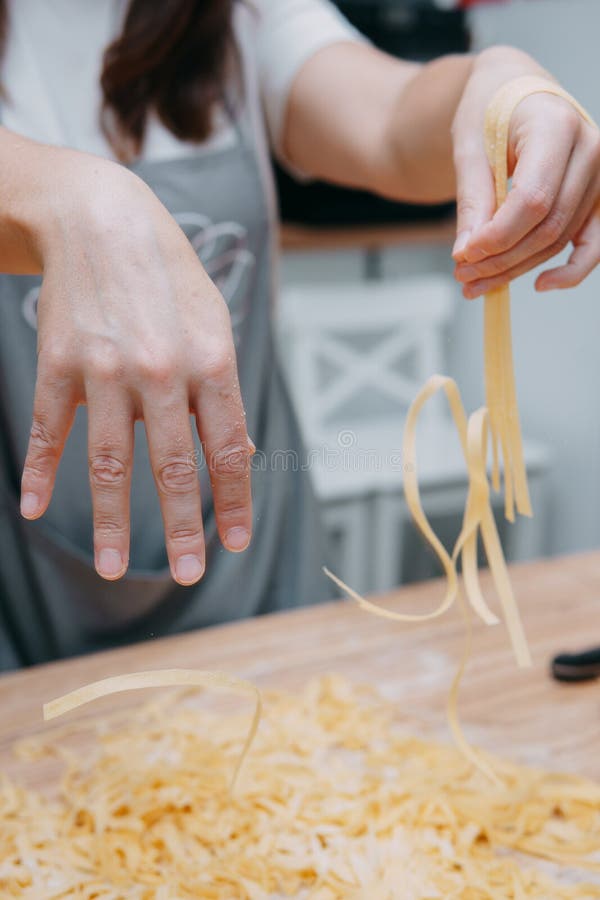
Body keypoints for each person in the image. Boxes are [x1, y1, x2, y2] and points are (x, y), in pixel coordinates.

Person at [0, 0, 598, 671]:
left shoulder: (242, 14)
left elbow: (391, 120)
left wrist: (496, 85)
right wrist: (68, 197)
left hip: (257, 565)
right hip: (24, 584)